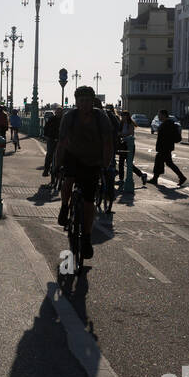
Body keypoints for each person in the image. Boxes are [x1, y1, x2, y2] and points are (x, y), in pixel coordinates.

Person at [56, 86, 113, 260]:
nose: (84, 104)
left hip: (93, 160)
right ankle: (65, 207)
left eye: (88, 100)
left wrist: (105, 165)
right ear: (76, 102)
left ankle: (86, 237)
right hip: (73, 156)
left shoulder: (100, 118)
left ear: (93, 101)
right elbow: (62, 142)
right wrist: (57, 164)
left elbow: (107, 143)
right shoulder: (69, 117)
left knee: (89, 202)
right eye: (81, 100)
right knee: (68, 180)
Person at [151, 108, 187, 188]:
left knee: (159, 161)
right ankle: (181, 177)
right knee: (168, 163)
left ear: (164, 115)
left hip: (165, 147)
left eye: (159, 115)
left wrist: (163, 144)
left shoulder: (167, 124)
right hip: (166, 147)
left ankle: (155, 178)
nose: (158, 117)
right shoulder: (167, 123)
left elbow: (166, 137)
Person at [118, 111, 148, 186]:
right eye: (121, 116)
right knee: (121, 162)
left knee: (129, 163)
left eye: (124, 116)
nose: (122, 118)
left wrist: (121, 134)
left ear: (127, 116)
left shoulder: (130, 124)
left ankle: (142, 175)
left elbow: (130, 133)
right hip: (123, 144)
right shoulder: (121, 124)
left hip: (129, 145)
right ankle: (121, 179)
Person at [42, 110, 61, 175]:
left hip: (61, 139)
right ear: (55, 113)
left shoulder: (64, 119)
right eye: (58, 112)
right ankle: (46, 170)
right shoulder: (51, 119)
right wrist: (45, 135)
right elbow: (46, 128)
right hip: (51, 138)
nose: (59, 114)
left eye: (60, 112)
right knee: (49, 153)